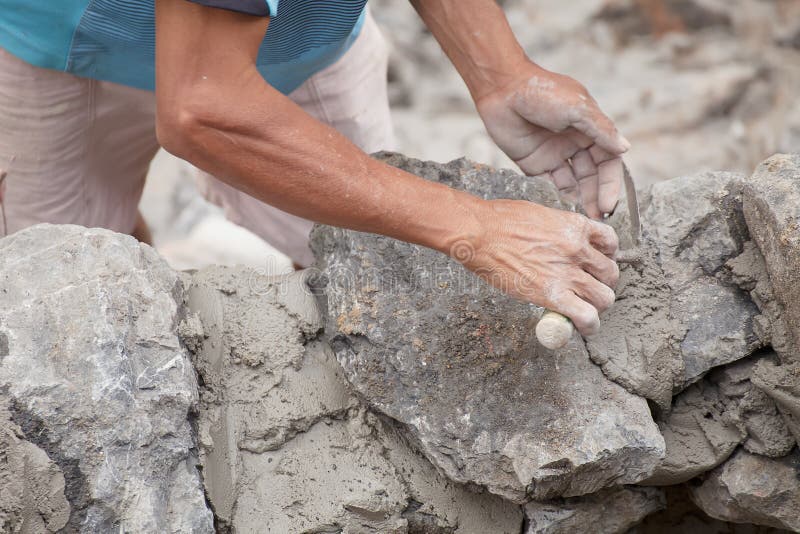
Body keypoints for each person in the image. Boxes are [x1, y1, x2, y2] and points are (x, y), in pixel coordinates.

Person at [0, 0, 628, 337]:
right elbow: (200, 108)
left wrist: (499, 72)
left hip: (302, 39)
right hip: (72, 50)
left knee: (367, 258)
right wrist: (475, 227)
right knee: (76, 295)